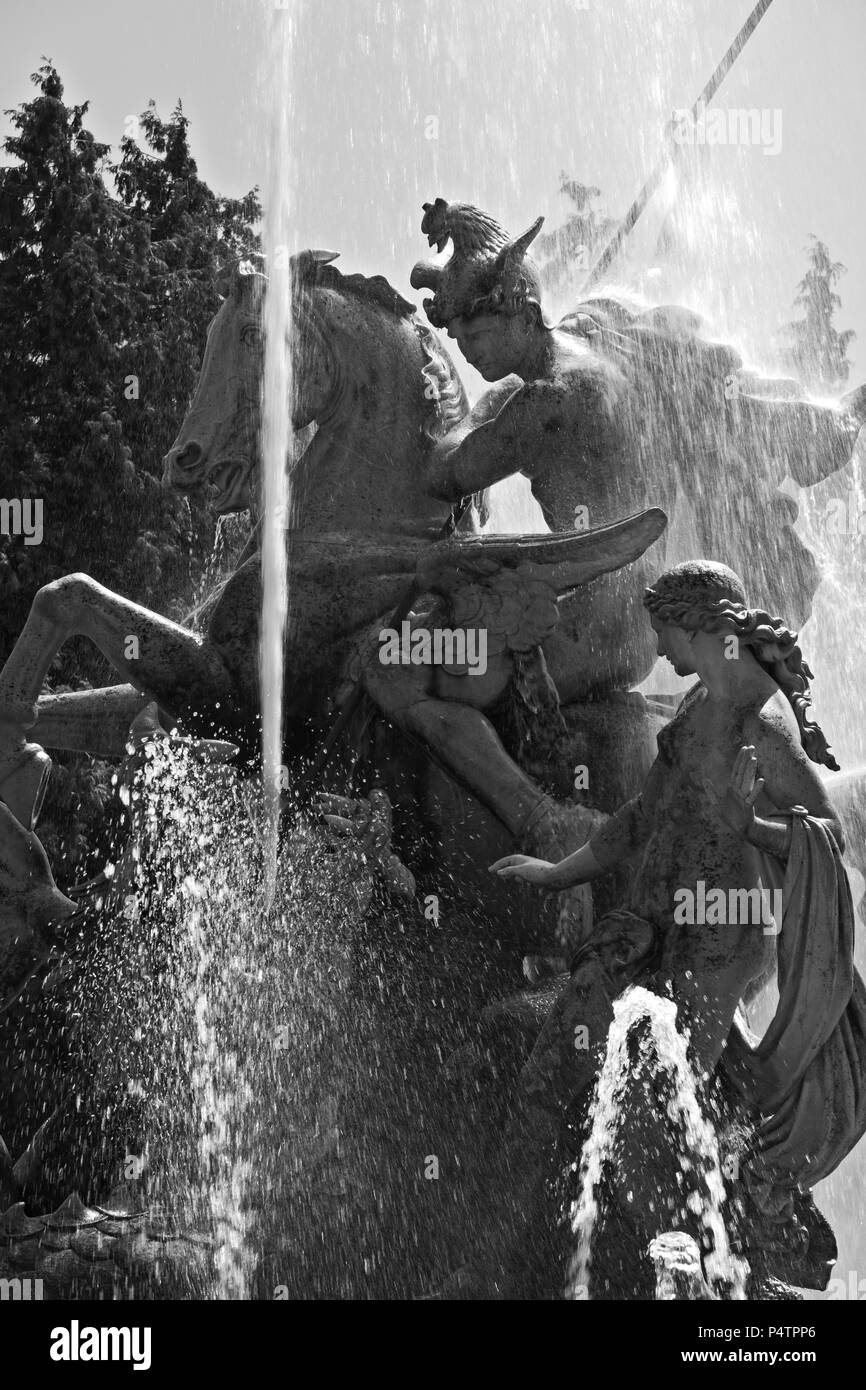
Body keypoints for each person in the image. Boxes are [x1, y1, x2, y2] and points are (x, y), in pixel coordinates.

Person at [456, 559, 866, 1296]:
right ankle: (484, 1272)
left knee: (654, 1111)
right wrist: (559, 871)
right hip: (647, 924)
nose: (660, 649)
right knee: (548, 1077)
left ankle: (702, 1282)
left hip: (721, 941)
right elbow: (640, 819)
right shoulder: (690, 713)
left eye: (665, 632)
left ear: (701, 624)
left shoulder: (761, 724)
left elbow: (828, 837)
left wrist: (754, 825)